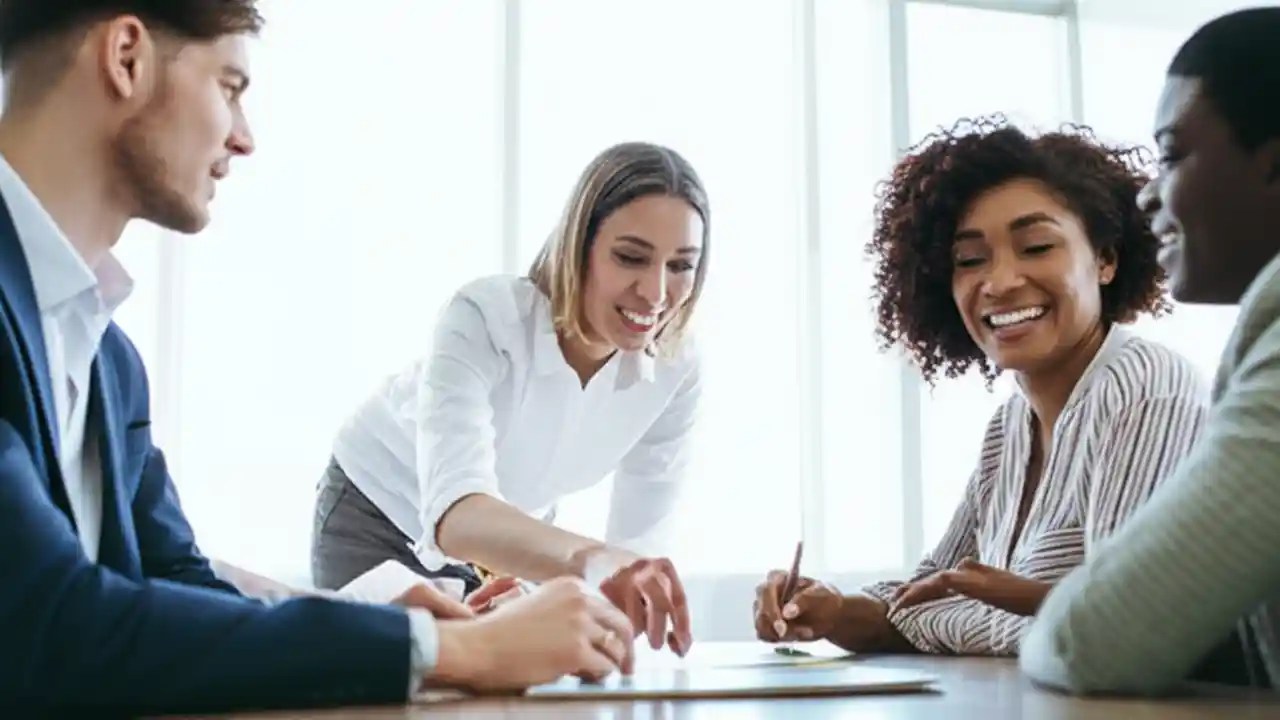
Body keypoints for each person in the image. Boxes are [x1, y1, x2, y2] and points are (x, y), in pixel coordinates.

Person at [0, 1, 634, 713]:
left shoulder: (108, 360)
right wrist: (461, 650)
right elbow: (44, 622)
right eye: (231, 87)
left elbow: (176, 579)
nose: (245, 138)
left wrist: (399, 627)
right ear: (126, 58)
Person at [753, 116, 1208, 656]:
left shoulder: (1146, 388)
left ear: (1105, 259)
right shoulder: (1010, 426)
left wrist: (962, 611)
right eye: (970, 260)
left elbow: (1125, 626)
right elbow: (916, 604)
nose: (999, 281)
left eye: (1037, 246)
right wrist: (827, 610)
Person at [312, 140, 707, 656]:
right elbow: (457, 512)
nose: (656, 293)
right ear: (578, 245)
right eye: (631, 257)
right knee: (394, 682)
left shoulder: (677, 369)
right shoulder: (484, 315)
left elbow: (636, 553)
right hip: (376, 514)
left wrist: (606, 604)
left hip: (502, 550)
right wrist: (594, 566)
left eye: (681, 265)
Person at [1021, 7, 1280, 694]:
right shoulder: (1007, 429)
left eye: (1170, 153)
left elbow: (1092, 639)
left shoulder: (1154, 383)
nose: (1146, 194)